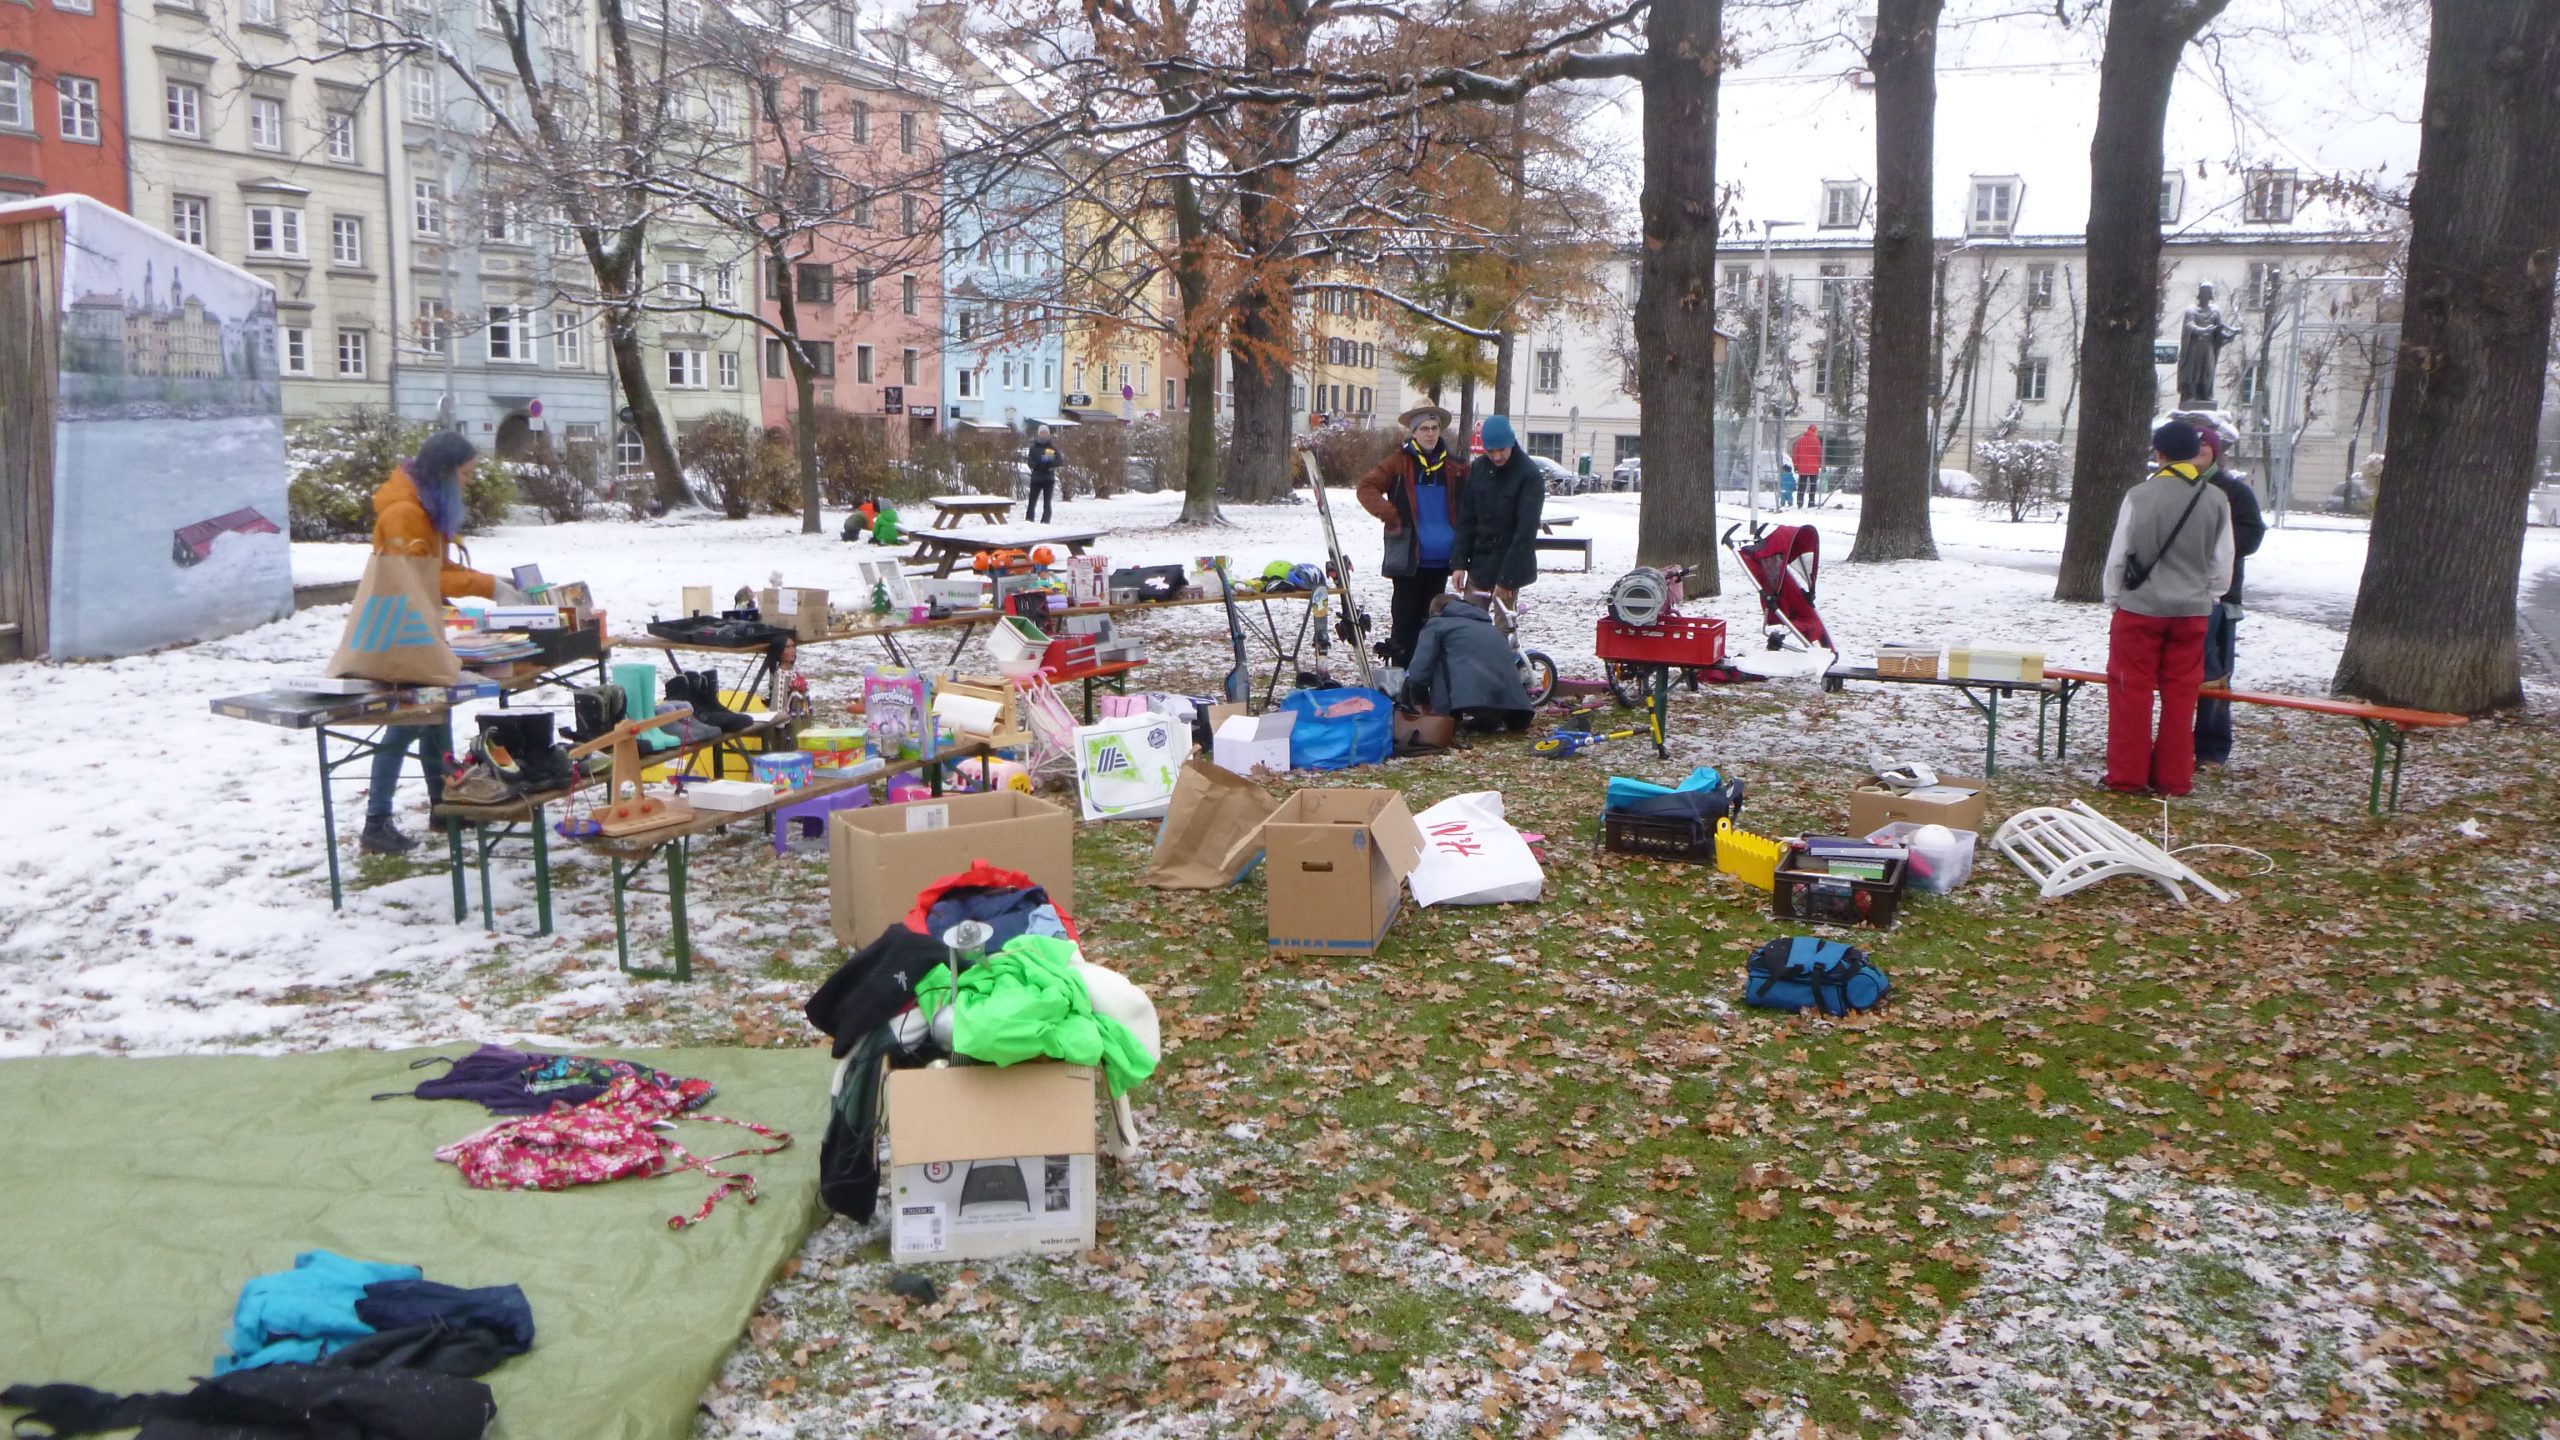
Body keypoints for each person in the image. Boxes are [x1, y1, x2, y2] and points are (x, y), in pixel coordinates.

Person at [361, 429, 508, 854]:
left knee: (436, 715)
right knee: (407, 722)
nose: (469, 481)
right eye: (465, 473)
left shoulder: (425, 506)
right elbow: (421, 575)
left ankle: (444, 805)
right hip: (399, 632)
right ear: (444, 471)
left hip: (420, 624)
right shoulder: (405, 513)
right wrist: (489, 585)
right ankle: (377, 821)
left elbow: (436, 569)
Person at [2100, 419, 2235, 798]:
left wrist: (2115, 598)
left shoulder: (2139, 496)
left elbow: (2117, 556)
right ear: (2195, 453)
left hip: (2140, 610)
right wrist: (2207, 596)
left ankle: (2127, 777)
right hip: (2192, 612)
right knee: (2181, 697)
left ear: (2159, 455)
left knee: (2132, 693)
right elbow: (2223, 564)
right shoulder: (2216, 499)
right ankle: (2175, 779)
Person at [1356, 405, 1463, 665]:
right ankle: (1402, 679)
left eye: (1434, 428)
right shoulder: (1399, 462)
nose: (1430, 434)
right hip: (1408, 559)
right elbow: (1366, 488)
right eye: (1423, 429)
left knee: (1431, 624)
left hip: (1441, 562)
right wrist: (1391, 514)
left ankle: (1424, 678)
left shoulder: (1452, 465)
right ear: (1414, 432)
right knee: (1405, 623)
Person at [2189, 422, 2268, 767]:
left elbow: (2250, 538)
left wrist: (2212, 538)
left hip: (2221, 599)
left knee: (2215, 673)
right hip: (2178, 594)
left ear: (2214, 452)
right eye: (2191, 449)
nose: (2196, 455)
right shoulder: (2173, 487)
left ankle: (2212, 748)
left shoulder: (2234, 491)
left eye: (2202, 449)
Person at [1453, 415, 1545, 612]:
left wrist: (1506, 580)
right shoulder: (1479, 468)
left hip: (1509, 565)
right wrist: (1459, 563)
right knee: (1470, 625)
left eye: (1501, 450)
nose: (1496, 457)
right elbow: (1466, 519)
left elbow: (1525, 533)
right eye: (1490, 451)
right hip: (1479, 564)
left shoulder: (1529, 475)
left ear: (1511, 442)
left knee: (1504, 629)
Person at [1405, 594, 1532, 732]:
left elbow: (1419, 672)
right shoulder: (1492, 629)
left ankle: (1450, 717)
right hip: (1517, 708)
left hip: (1471, 701)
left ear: (1436, 612)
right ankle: (1488, 719)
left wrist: (1421, 699)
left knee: (1438, 660)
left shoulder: (1437, 625)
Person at [1023, 425, 1062, 523]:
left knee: (1047, 503)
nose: (1044, 435)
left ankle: (1045, 522)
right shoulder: (1033, 448)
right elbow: (1031, 463)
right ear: (1038, 434)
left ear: (1048, 434)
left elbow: (1059, 461)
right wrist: (1041, 463)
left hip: (1048, 479)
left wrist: (1050, 462)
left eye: (1045, 433)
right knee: (1032, 502)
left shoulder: (1052, 448)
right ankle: (1029, 521)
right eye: (1042, 433)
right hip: (1036, 479)